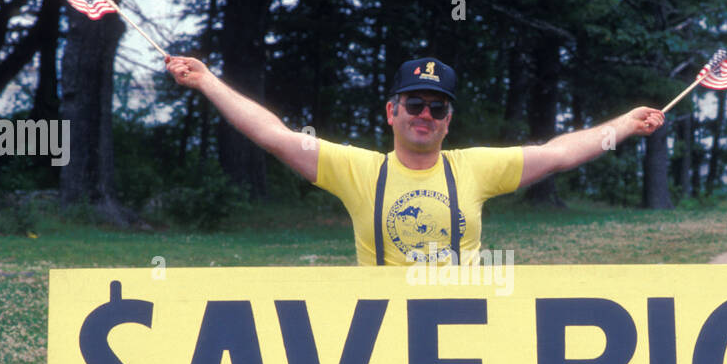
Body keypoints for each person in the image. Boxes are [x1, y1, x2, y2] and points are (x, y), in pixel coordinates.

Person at [165, 54, 665, 265]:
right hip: (380, 332)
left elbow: (556, 155)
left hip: (462, 332)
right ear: (392, 111)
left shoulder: (475, 168)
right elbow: (273, 135)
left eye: (437, 107)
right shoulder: (359, 170)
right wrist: (207, 80)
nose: (425, 114)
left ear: (448, 120)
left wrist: (624, 123)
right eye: (414, 104)